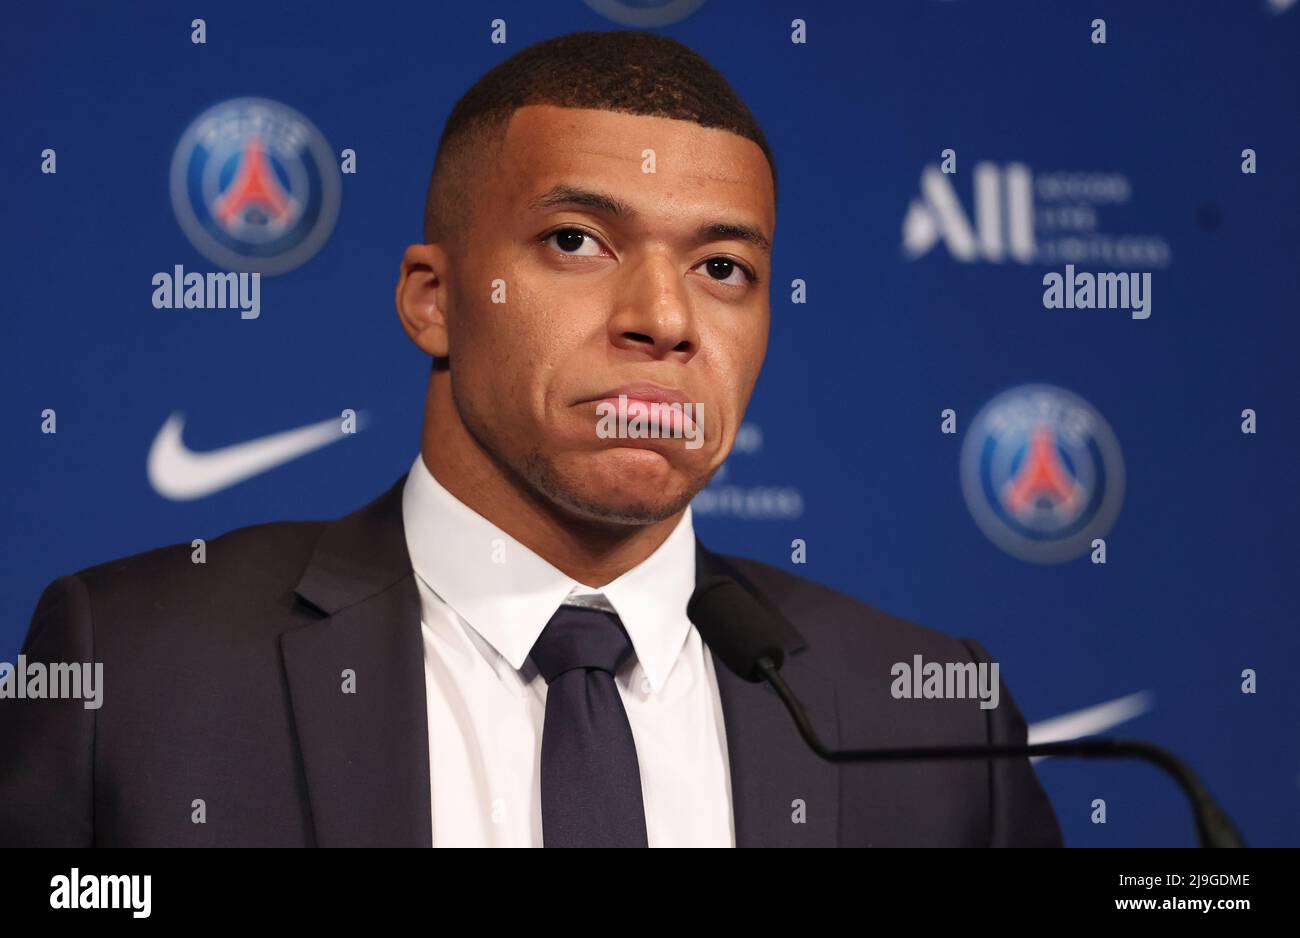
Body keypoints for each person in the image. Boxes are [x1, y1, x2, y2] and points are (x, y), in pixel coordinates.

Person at [0, 30, 1061, 847]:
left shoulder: (926, 714)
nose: (664, 317)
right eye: (577, 241)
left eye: (722, 267)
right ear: (432, 299)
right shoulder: (134, 666)